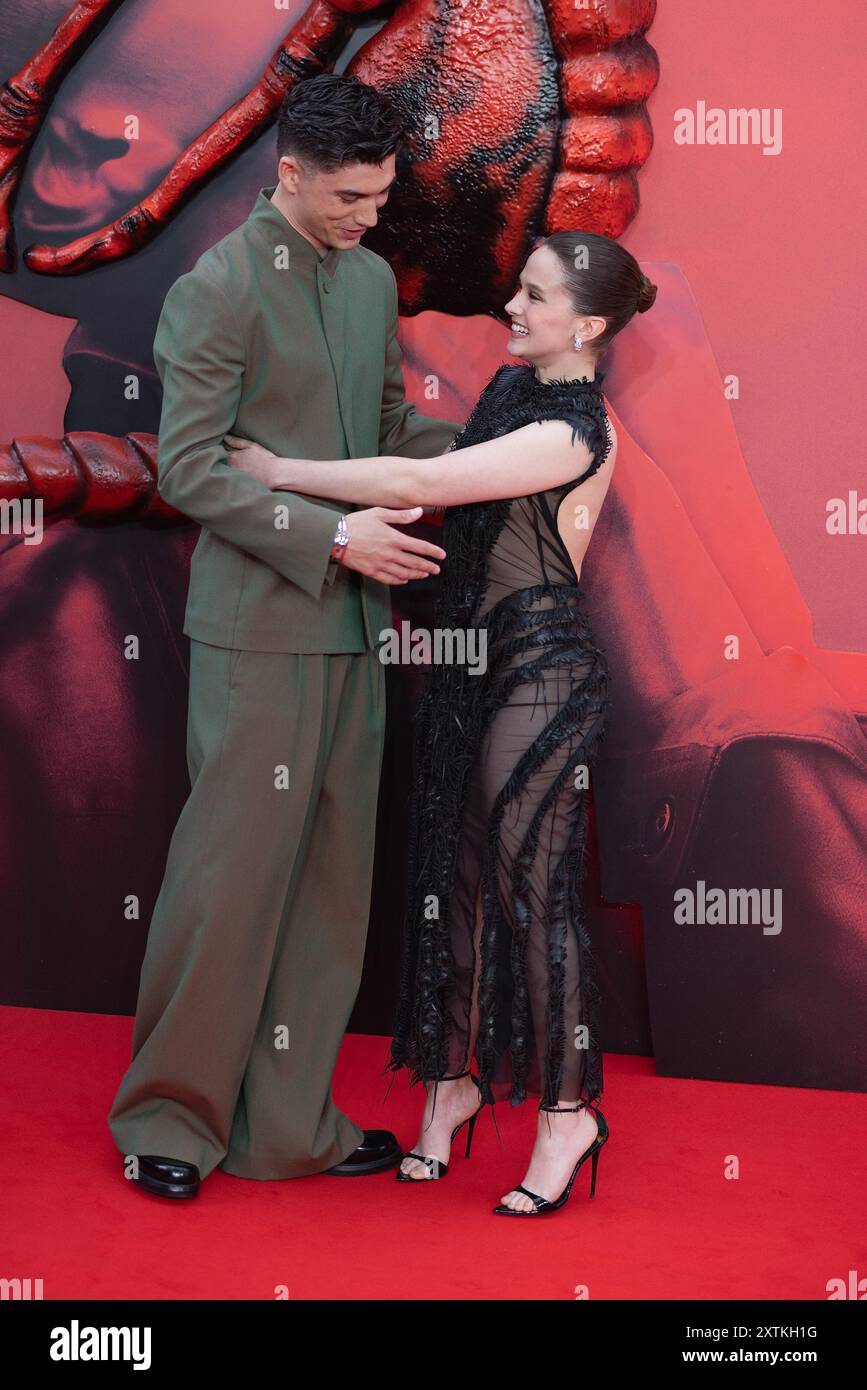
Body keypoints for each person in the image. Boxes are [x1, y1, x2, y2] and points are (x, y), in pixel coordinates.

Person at [225, 230, 658, 1214]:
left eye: (535, 298)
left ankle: (565, 1115)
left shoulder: (572, 428)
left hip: (541, 677)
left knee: (530, 894)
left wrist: (279, 474)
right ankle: (453, 1082)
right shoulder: (512, 397)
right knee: (454, 884)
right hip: (469, 671)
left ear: (586, 324)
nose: (511, 307)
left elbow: (420, 488)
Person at [107, 73, 462, 1198]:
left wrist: (520, 427)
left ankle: (288, 1127)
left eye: (384, 196)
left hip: (355, 635)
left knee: (327, 888)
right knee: (228, 881)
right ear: (291, 173)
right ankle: (170, 1120)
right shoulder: (212, 290)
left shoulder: (366, 284)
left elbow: (394, 428)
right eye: (353, 197)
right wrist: (334, 538)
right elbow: (189, 468)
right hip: (259, 631)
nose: (371, 217)